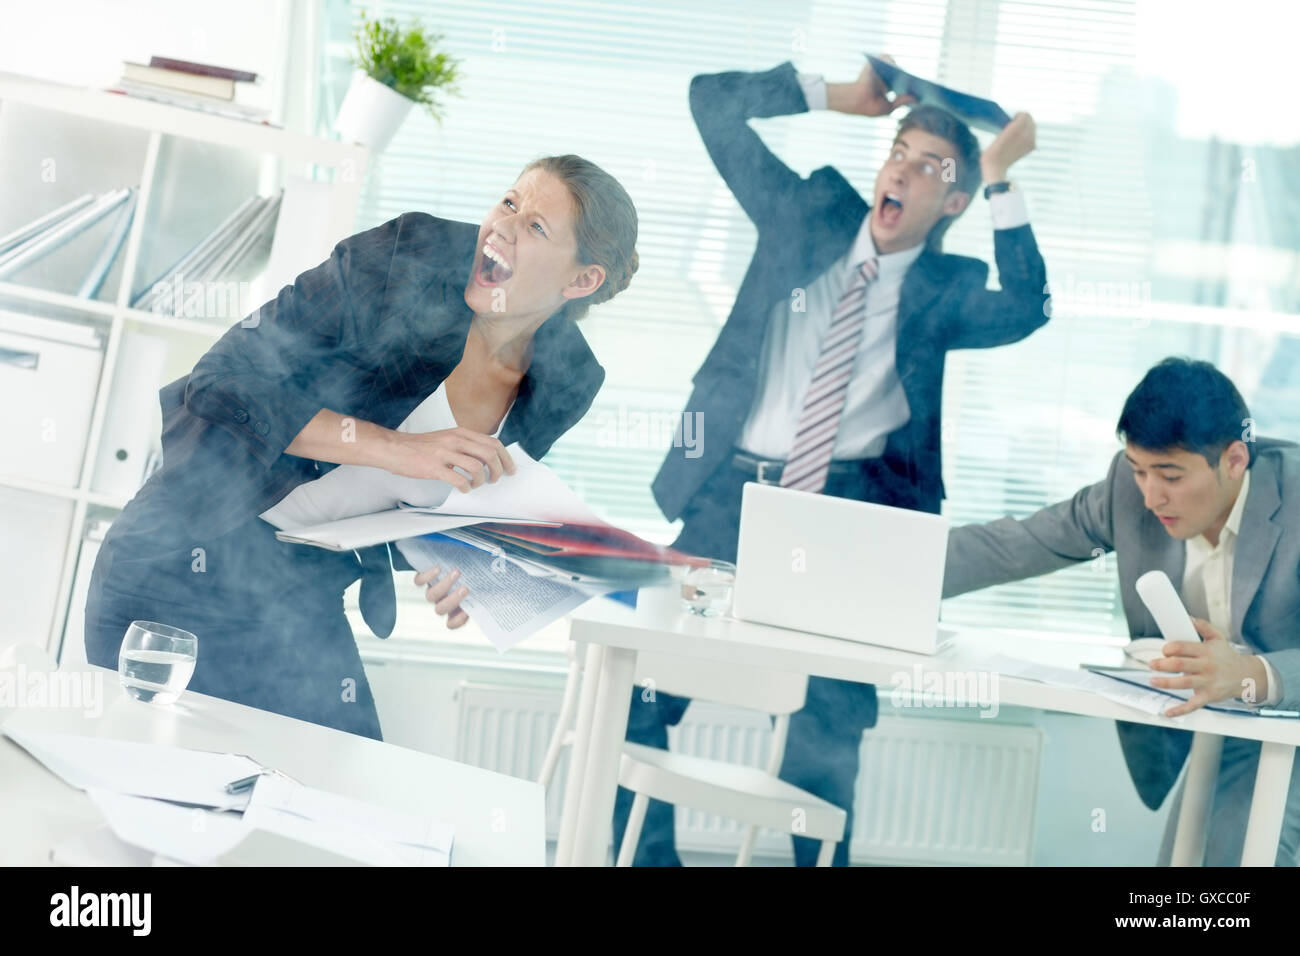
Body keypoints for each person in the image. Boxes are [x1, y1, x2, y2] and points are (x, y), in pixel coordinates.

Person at [619, 56, 1049, 866]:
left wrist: (1000, 175)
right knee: (641, 685)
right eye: (899, 153)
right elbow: (710, 102)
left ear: (952, 201)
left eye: (933, 169)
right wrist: (835, 97)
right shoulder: (804, 211)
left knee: (829, 724)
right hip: (731, 492)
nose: (906, 172)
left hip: (851, 519)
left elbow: (1029, 307)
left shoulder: (947, 288)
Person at [85, 155, 639, 741]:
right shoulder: (408, 255)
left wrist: (456, 562)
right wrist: (401, 449)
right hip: (181, 556)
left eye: (536, 228)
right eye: (508, 202)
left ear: (580, 281)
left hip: (300, 592)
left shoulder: (568, 382)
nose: (502, 227)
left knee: (342, 786)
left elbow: (442, 510)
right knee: (153, 779)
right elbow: (223, 382)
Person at [944, 357, 1300, 866]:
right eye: (1139, 471)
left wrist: (1251, 673)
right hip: (1220, 724)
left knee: (1238, 857)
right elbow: (1017, 544)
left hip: (1290, 716)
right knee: (1185, 861)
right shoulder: (1130, 493)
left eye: (1170, 475)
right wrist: (891, 572)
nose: (1151, 495)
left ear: (1235, 460)